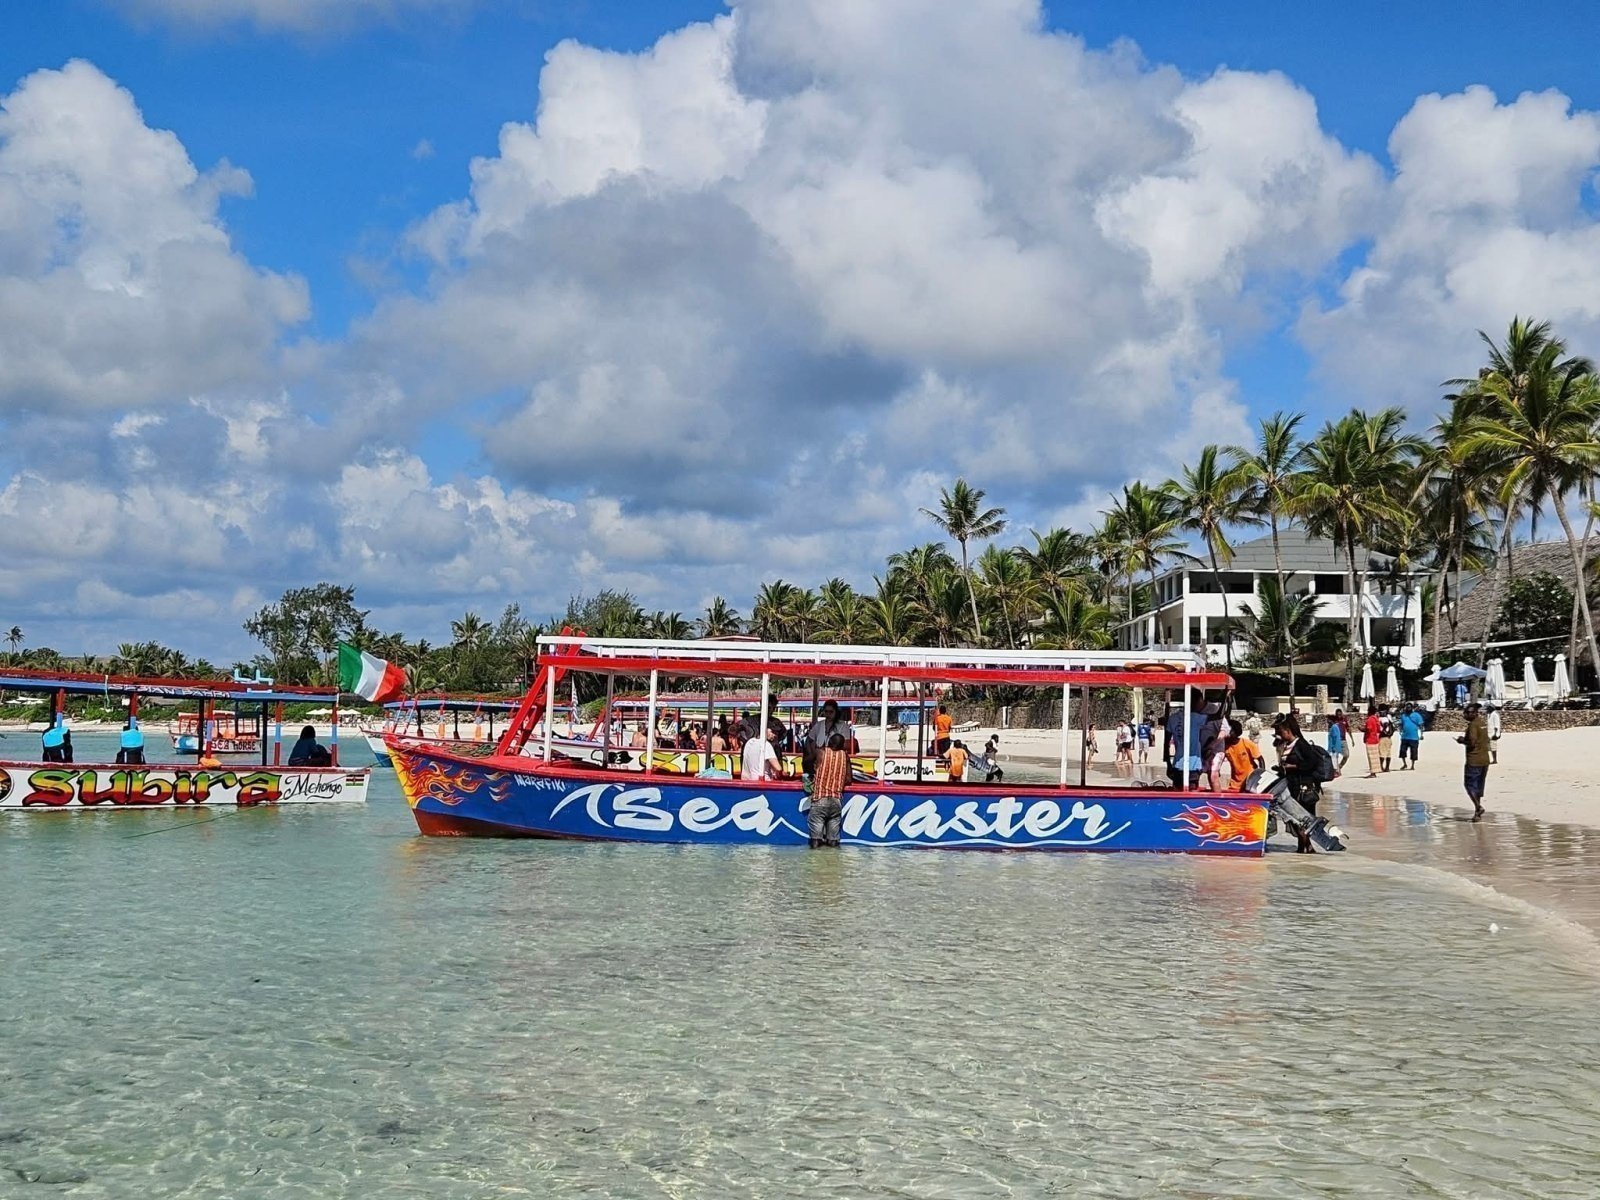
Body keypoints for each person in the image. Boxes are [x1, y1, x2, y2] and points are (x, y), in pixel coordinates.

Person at [1276, 713, 1323, 853]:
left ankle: (1306, 847)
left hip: (1304, 788)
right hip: (1292, 787)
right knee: (1296, 819)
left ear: (1288, 730)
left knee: (1302, 819)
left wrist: (1293, 766)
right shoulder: (1287, 745)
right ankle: (1304, 847)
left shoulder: (1301, 744)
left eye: (1281, 731)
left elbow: (1312, 763)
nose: (1279, 734)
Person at [809, 733, 849, 848]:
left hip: (820, 798)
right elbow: (848, 779)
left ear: (829, 742)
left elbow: (807, 762)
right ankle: (833, 857)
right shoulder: (845, 756)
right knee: (833, 840)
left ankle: (814, 857)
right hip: (836, 800)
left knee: (816, 839)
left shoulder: (821, 752)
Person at [1163, 699, 1207, 789]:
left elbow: (1166, 743)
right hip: (1193, 765)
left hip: (1177, 764)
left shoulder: (1172, 718)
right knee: (1192, 792)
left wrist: (1168, 763)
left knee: (1177, 792)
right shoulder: (1199, 718)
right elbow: (1218, 717)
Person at [1458, 700, 1491, 820]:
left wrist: (1462, 741)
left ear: (1474, 713)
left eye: (1467, 713)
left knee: (1469, 785)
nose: (1465, 715)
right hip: (1484, 759)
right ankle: (1477, 814)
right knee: (1478, 786)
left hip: (1474, 760)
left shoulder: (1473, 725)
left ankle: (1478, 807)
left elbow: (1472, 743)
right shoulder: (1482, 723)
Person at [1221, 719, 1264, 792]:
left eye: (1229, 731)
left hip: (1249, 781)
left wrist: (1261, 776)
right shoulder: (1225, 746)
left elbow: (1260, 759)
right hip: (1235, 784)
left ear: (1236, 732)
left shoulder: (1246, 743)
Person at [1397, 703, 1425, 770]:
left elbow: (1421, 725)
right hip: (1404, 737)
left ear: (1412, 708)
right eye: (1407, 707)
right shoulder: (1403, 716)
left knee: (1414, 752)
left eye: (1409, 707)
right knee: (1402, 751)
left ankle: (1412, 765)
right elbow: (1401, 724)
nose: (1408, 708)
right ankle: (1404, 764)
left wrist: (1421, 734)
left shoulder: (1417, 715)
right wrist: (1400, 731)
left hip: (1414, 737)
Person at [1361, 704, 1382, 778]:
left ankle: (1373, 773)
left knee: (1371, 757)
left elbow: (1368, 729)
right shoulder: (1376, 719)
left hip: (1370, 739)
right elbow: (1379, 729)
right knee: (1375, 757)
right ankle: (1375, 771)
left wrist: (1361, 729)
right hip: (1375, 739)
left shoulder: (1370, 719)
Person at [1377, 704, 1396, 772]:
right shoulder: (1389, 717)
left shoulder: (1382, 718)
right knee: (1388, 752)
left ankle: (1381, 766)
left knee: (1381, 752)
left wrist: (1383, 730)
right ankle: (1387, 767)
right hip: (1389, 737)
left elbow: (1385, 724)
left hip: (1382, 736)